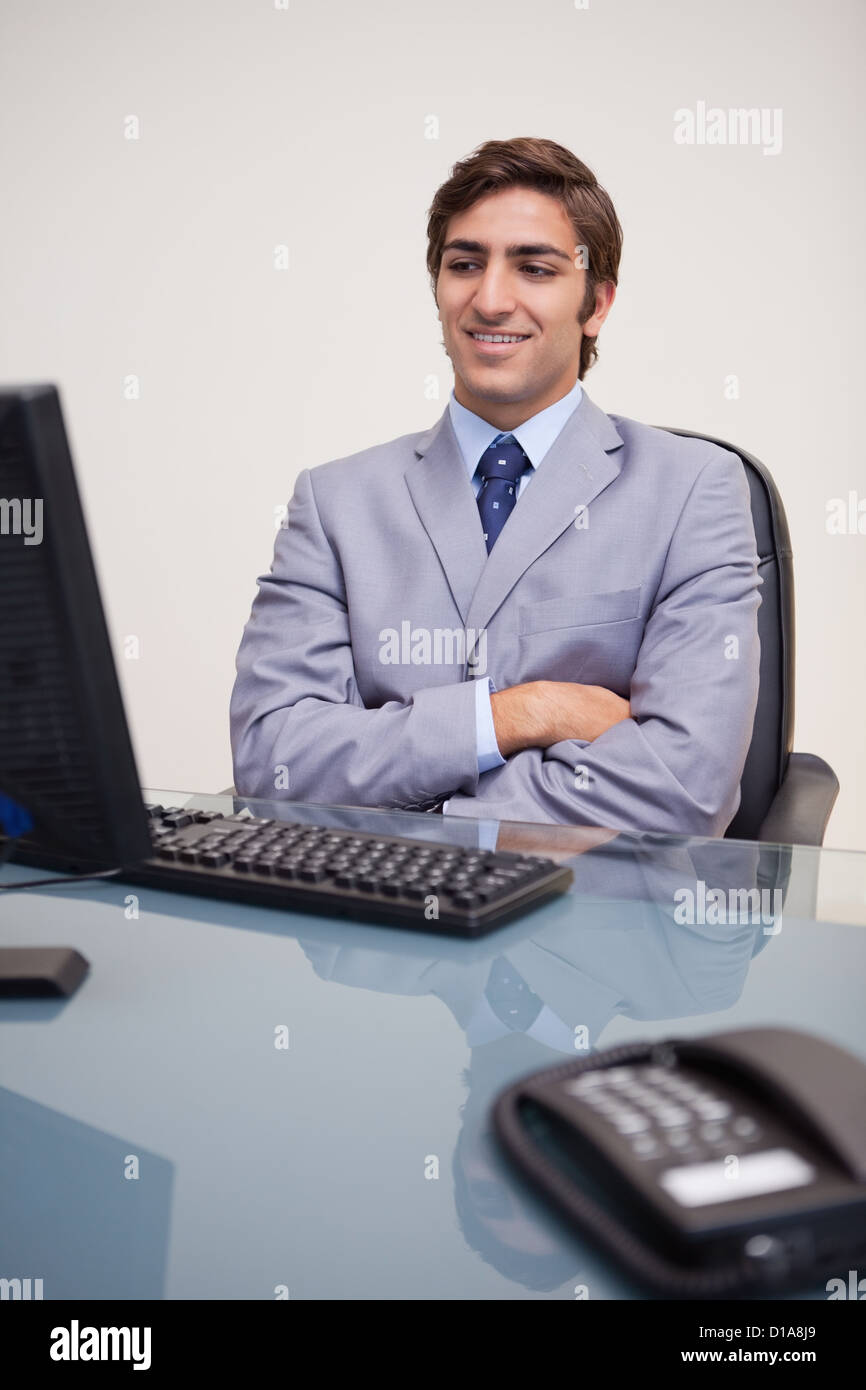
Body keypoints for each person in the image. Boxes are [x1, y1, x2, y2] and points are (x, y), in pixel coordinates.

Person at [230, 137, 760, 836]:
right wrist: (519, 713)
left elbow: (684, 787)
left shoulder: (694, 489)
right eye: (464, 264)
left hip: (598, 928)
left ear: (595, 304)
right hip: (381, 929)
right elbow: (272, 763)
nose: (490, 299)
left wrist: (413, 813)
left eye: (535, 268)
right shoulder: (335, 504)